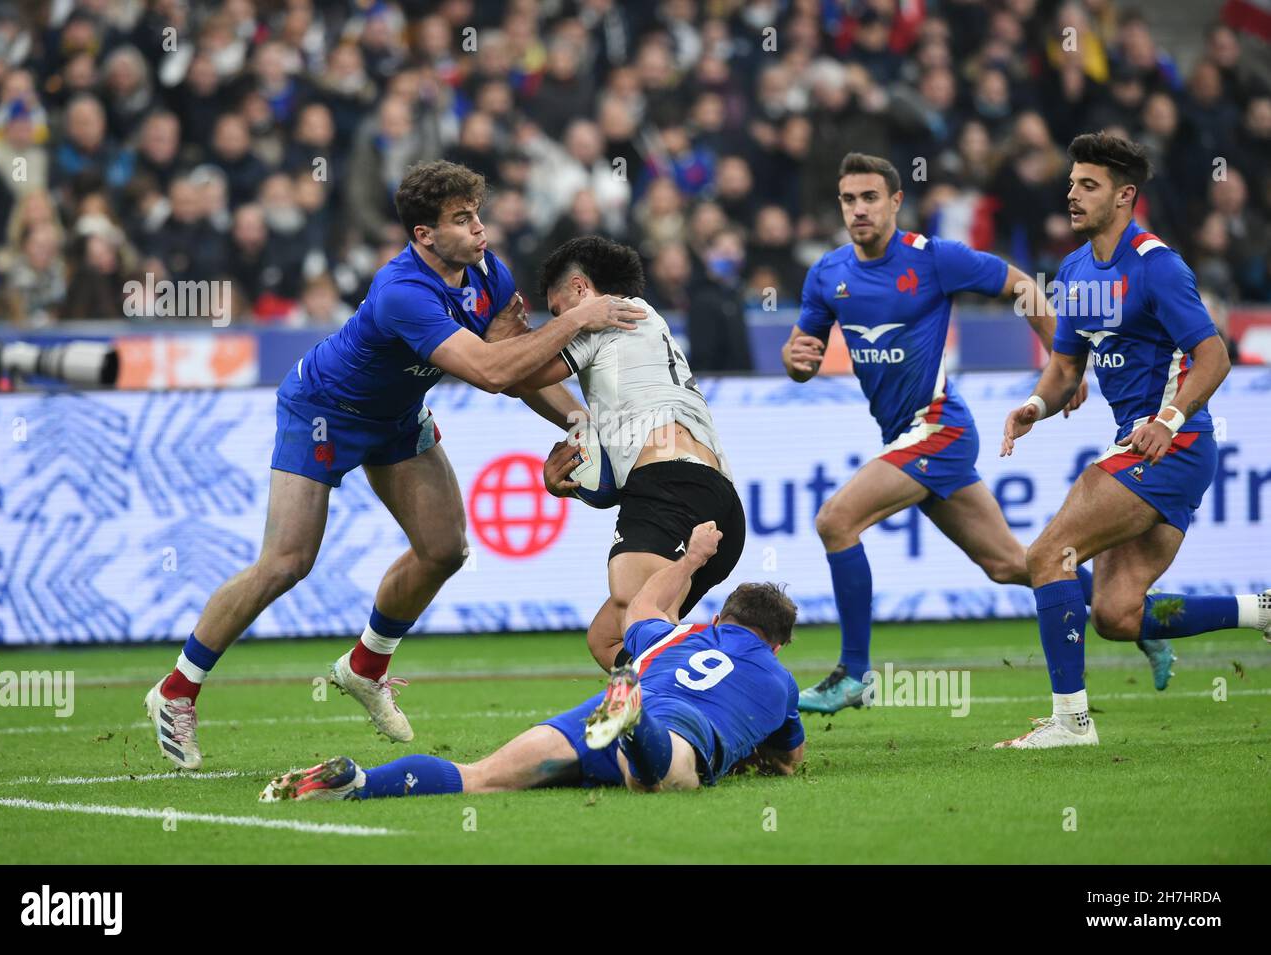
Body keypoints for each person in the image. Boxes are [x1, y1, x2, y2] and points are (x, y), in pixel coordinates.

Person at [145, 161, 647, 770]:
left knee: (445, 548)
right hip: (323, 410)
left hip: (397, 414)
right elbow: (489, 373)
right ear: (423, 235)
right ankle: (176, 691)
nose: (480, 230)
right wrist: (574, 320)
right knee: (286, 562)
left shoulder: (488, 272)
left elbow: (513, 368)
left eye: (478, 215)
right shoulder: (403, 292)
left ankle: (366, 666)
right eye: (462, 220)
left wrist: (583, 427)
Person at [780, 151, 1113, 715]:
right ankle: (1133, 613)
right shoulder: (827, 273)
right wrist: (796, 359)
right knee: (1014, 564)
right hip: (907, 437)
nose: (858, 209)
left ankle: (853, 674)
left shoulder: (934, 259)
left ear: (894, 202)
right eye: (848, 199)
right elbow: (801, 357)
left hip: (939, 427)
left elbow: (1020, 286)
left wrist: (1066, 365)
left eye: (869, 198)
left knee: (836, 520)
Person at [995, 132, 1271, 749]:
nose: (1072, 194)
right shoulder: (1072, 269)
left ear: (1124, 197)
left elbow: (1214, 357)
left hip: (1171, 444)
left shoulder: (1157, 264)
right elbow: (1067, 369)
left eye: (1087, 186)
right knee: (1118, 614)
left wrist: (1167, 420)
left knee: (1048, 557)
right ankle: (1261, 610)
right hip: (1145, 445)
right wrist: (1035, 407)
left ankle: (1072, 724)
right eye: (1071, 183)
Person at [259, 521, 805, 801]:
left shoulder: (674, 637)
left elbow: (640, 603)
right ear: (777, 644)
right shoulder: (778, 680)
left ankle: (360, 782)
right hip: (683, 728)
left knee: (480, 778)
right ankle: (635, 724)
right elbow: (787, 761)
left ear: (719, 621)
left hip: (593, 715)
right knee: (660, 781)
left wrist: (694, 558)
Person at [519, 235, 746, 670]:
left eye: (558, 311)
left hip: (671, 485)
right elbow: (615, 462)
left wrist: (503, 332)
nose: (559, 322)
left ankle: (739, 700)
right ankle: (705, 700)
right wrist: (575, 480)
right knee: (609, 640)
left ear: (582, 289)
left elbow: (516, 374)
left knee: (638, 614)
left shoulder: (607, 318)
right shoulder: (643, 322)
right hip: (714, 501)